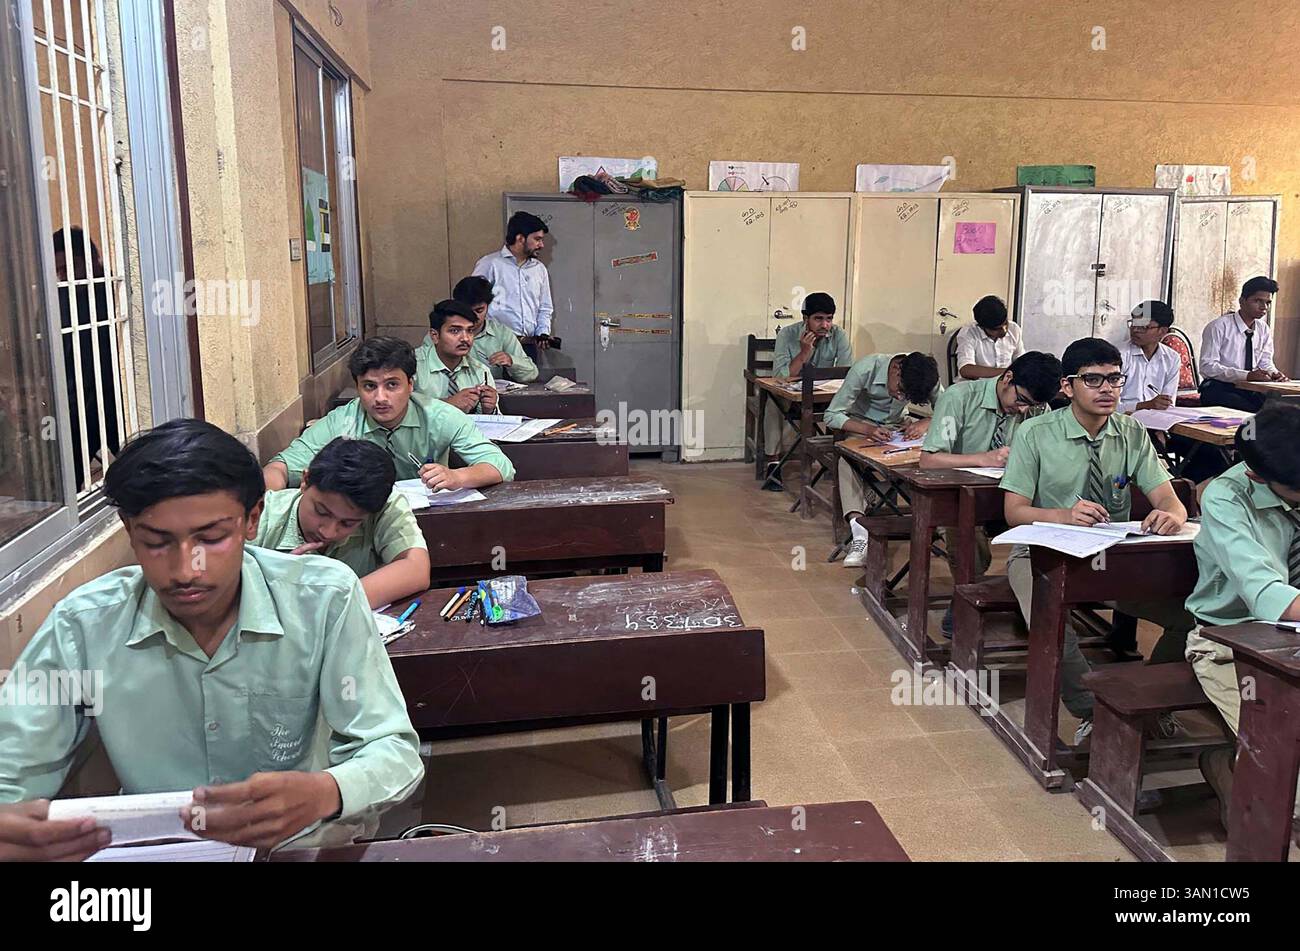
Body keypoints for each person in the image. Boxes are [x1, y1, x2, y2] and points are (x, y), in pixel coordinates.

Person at [0, 419, 424, 859]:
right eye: (156, 542)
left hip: (295, 847)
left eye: (212, 537)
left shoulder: (324, 599)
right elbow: (12, 766)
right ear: (129, 531)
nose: (186, 570)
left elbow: (392, 748)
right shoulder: (84, 625)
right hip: (155, 852)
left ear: (253, 520)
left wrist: (326, 791)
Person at [1000, 337, 1193, 743]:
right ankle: (1095, 714)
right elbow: (1014, 512)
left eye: (1115, 379)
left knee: (1189, 618)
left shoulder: (1131, 432)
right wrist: (1063, 516)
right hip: (1042, 552)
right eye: (1093, 379)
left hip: (1112, 555)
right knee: (1051, 623)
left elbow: (1171, 502)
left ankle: (1153, 704)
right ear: (1067, 386)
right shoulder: (1035, 433)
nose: (1107, 389)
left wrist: (1170, 517)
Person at [1184, 402, 1300, 831]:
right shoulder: (1227, 498)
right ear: (1256, 475)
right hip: (1232, 643)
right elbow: (1271, 599)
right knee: (1288, 779)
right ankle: (1229, 768)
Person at [921, 351, 1062, 632]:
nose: (1023, 410)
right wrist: (981, 458)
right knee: (966, 537)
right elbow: (930, 460)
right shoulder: (959, 398)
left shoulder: (1034, 407)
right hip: (964, 493)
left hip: (1016, 494)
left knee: (1056, 519)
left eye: (1031, 406)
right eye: (1021, 401)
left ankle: (1038, 600)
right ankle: (965, 594)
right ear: (1007, 378)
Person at [263, 337, 514, 492]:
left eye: (392, 385)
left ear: (411, 384)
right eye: (369, 386)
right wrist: (267, 502)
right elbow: (279, 468)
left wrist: (455, 476)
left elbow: (501, 466)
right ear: (358, 386)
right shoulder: (343, 421)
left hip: (431, 521)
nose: (380, 398)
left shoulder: (439, 416)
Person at [253, 437, 430, 610]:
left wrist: (324, 604)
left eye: (347, 523)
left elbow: (416, 568)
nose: (328, 532)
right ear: (305, 481)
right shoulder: (259, 518)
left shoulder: (380, 504)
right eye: (321, 512)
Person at [825, 352, 941, 566]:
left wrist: (925, 423)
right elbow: (832, 415)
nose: (900, 398)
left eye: (906, 397)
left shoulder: (924, 374)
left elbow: (946, 409)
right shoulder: (865, 369)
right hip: (862, 425)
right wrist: (868, 429)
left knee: (936, 452)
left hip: (899, 427)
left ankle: (937, 521)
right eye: (900, 391)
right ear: (895, 370)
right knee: (848, 458)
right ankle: (859, 531)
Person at [53, 227, 123, 491]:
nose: (62, 275)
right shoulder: (57, 300)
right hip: (77, 405)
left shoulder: (115, 294)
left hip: (118, 400)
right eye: (58, 269)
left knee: (143, 468)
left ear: (92, 259)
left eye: (69, 266)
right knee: (64, 484)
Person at [762, 292, 853, 488]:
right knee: (773, 403)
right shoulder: (787, 334)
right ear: (805, 319)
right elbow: (780, 376)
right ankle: (772, 462)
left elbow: (846, 372)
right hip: (792, 394)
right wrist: (804, 353)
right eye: (818, 318)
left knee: (850, 404)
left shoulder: (839, 335)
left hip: (823, 393)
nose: (825, 325)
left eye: (829, 319)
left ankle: (837, 459)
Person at [472, 211, 554, 361]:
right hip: (494, 345)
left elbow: (545, 307)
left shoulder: (539, 269)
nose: (541, 245)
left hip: (528, 347)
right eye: (537, 239)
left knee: (527, 384)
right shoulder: (490, 264)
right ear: (520, 238)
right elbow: (473, 302)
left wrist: (543, 333)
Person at [1199, 276, 1288, 412]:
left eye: (1268, 302)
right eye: (1257, 301)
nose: (1264, 307)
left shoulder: (1263, 329)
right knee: (1251, 412)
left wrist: (1273, 373)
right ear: (1242, 301)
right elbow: (1207, 367)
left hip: (1250, 389)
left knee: (1282, 410)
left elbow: (1265, 362)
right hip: (1219, 387)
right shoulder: (1218, 327)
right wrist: (1246, 375)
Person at [413, 299, 499, 413]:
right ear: (435, 336)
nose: (465, 338)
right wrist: (447, 404)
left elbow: (493, 424)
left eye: (470, 331)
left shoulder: (480, 371)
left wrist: (489, 410)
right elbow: (400, 411)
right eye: (455, 331)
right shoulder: (412, 365)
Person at [452, 275, 538, 383]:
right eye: (468, 311)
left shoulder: (501, 333)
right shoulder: (442, 333)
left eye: (479, 310)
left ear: (488, 306)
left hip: (490, 396)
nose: (474, 317)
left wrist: (511, 360)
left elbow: (531, 373)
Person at [1117, 301, 1181, 414]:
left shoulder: (1171, 358)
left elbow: (1168, 404)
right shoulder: (1119, 355)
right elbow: (1111, 407)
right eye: (1133, 324)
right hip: (1121, 420)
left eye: (1143, 327)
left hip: (1155, 420)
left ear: (1162, 331)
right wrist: (1146, 405)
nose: (1135, 330)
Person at [954, 295, 1025, 380]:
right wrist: (1007, 372)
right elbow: (966, 370)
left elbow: (1021, 360)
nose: (1004, 330)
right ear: (982, 327)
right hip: (976, 386)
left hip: (1005, 384)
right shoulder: (968, 333)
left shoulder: (1014, 329)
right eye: (997, 329)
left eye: (1005, 323)